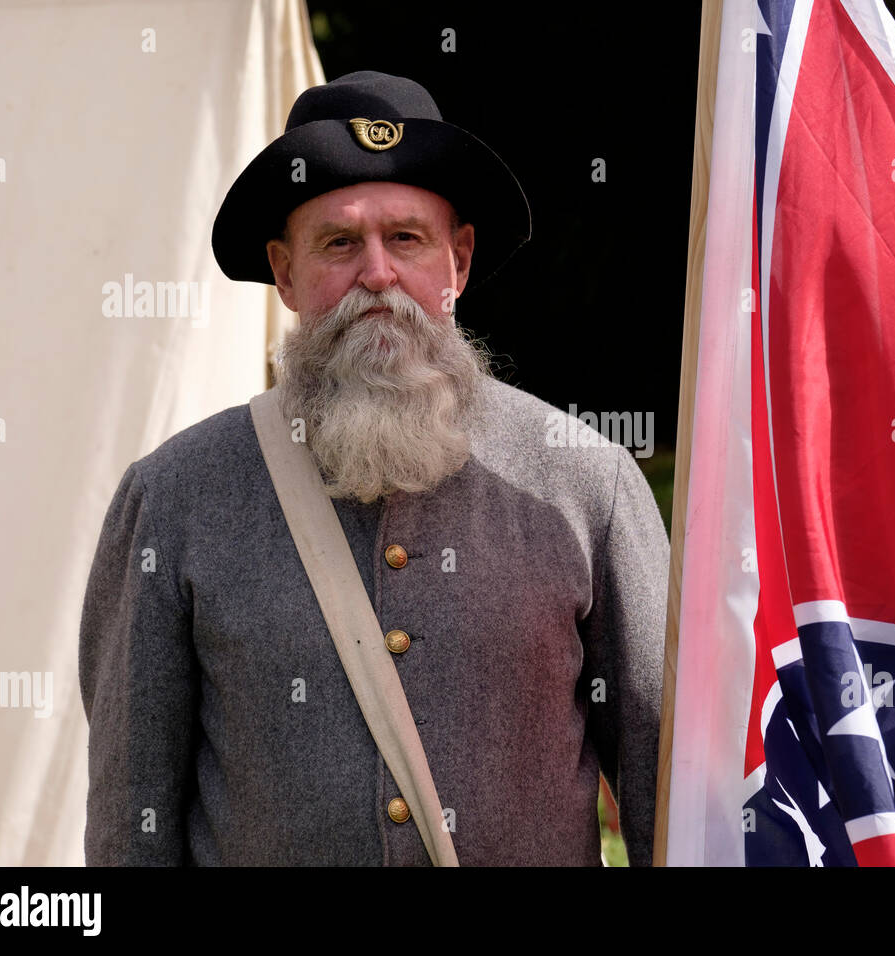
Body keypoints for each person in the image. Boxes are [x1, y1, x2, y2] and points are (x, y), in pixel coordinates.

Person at [78, 71, 669, 866]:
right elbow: (130, 822)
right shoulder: (173, 499)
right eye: (339, 243)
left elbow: (669, 795)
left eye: (407, 239)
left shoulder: (587, 485)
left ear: (457, 261)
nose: (378, 275)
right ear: (285, 273)